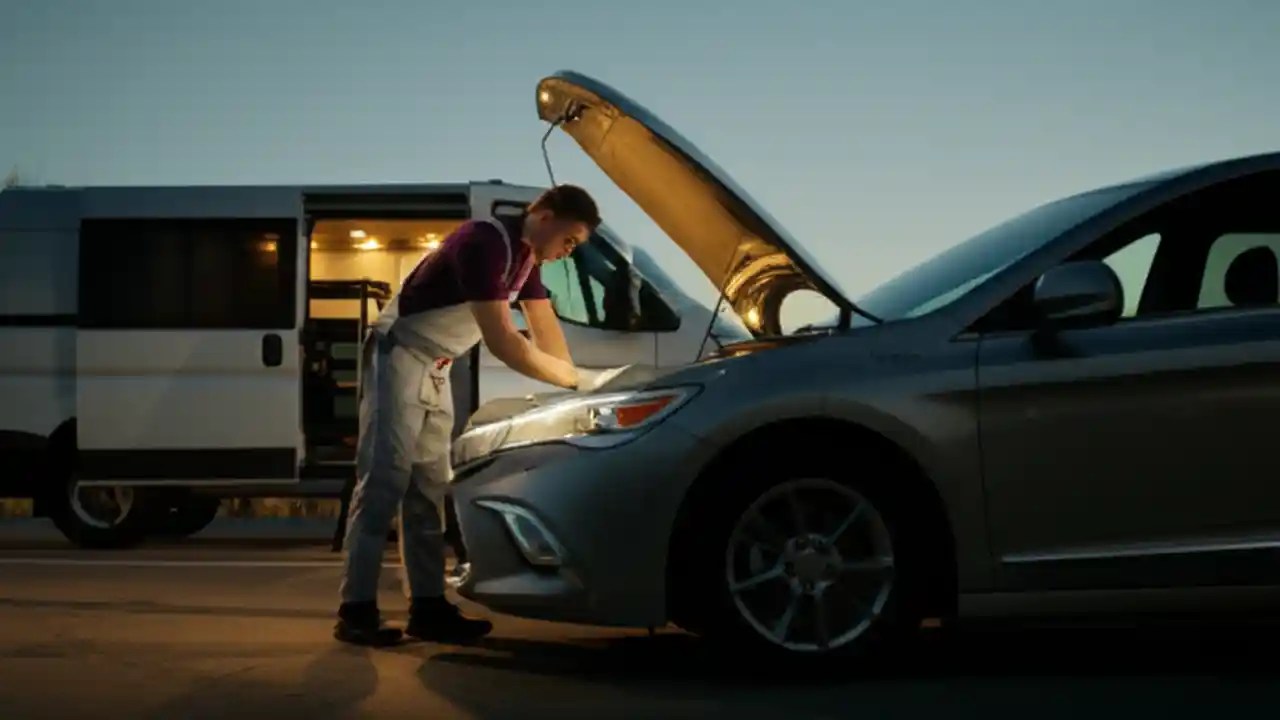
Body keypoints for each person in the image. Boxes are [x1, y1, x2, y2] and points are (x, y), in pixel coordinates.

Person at [334, 184, 629, 646]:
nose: (568, 254)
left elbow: (545, 332)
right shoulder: (484, 242)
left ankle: (428, 608)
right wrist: (576, 381)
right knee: (384, 480)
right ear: (545, 216)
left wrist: (575, 380)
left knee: (430, 487)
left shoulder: (529, 257)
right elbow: (503, 340)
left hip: (435, 364)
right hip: (399, 353)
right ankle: (355, 610)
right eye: (570, 242)